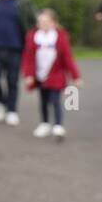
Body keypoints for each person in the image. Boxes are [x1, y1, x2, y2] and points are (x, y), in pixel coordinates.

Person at [21, 8, 82, 141]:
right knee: (43, 100)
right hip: (39, 75)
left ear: (53, 23)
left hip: (56, 75)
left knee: (55, 100)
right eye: (40, 22)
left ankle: (58, 126)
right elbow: (28, 58)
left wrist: (76, 76)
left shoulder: (60, 37)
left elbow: (67, 58)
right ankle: (44, 124)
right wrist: (28, 75)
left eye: (46, 21)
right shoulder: (32, 36)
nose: (43, 24)